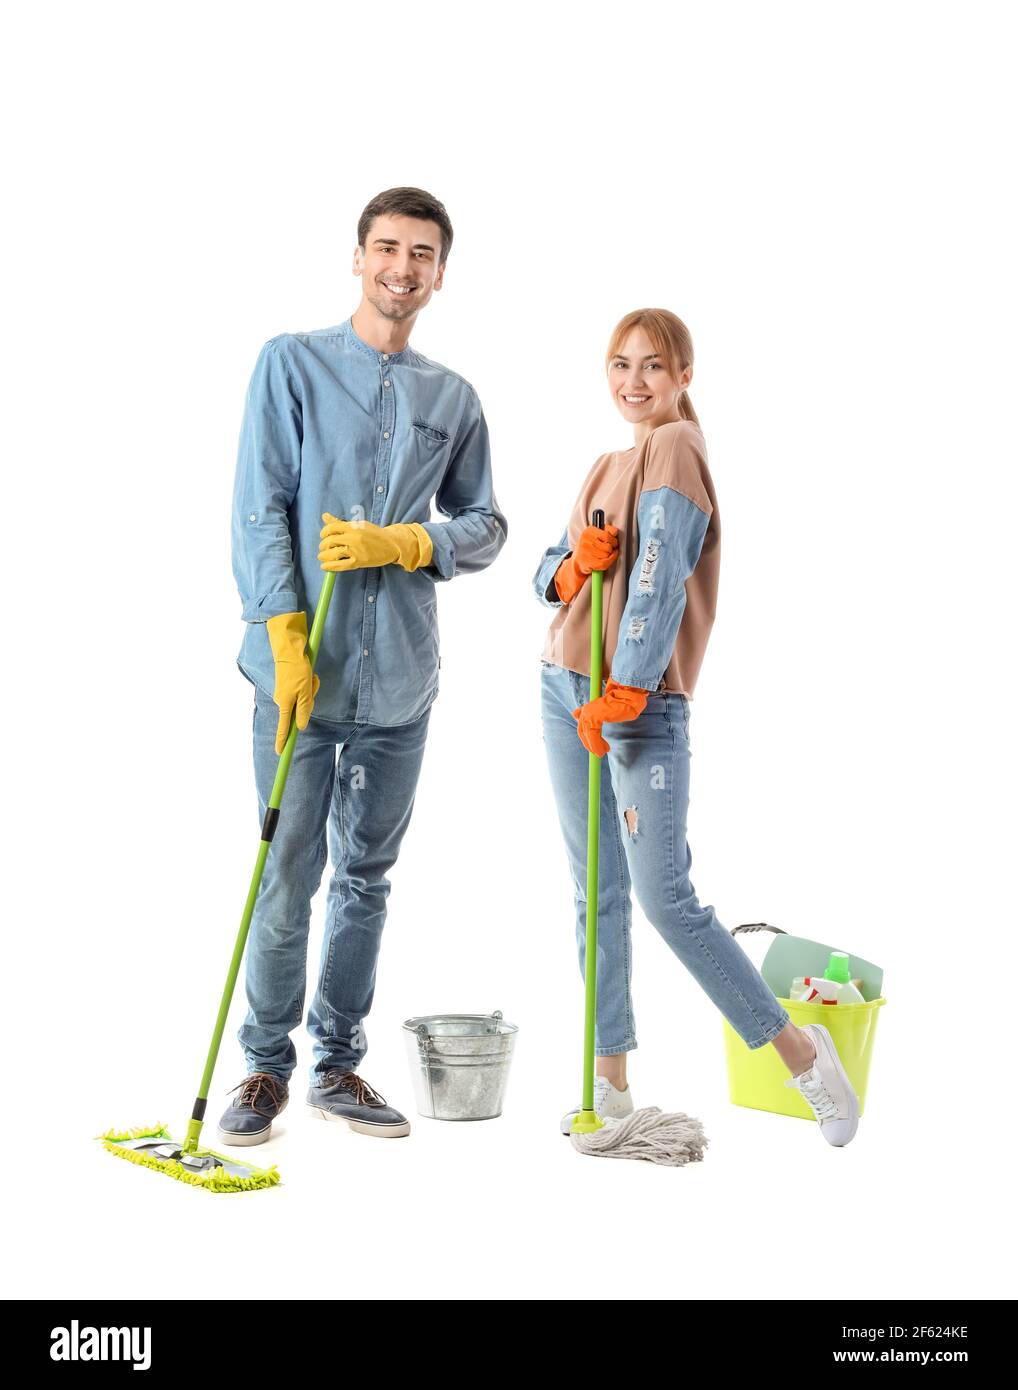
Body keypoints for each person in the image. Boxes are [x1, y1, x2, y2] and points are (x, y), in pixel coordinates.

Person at [221, 186, 507, 1145]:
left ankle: (338, 1066)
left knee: (366, 877)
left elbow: (487, 525)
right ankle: (265, 1067)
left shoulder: (452, 398)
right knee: (286, 872)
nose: (403, 268)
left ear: (439, 272)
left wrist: (408, 544)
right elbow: (261, 506)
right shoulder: (291, 366)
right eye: (388, 248)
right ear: (357, 257)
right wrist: (285, 639)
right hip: (300, 680)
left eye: (422, 254)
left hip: (401, 686)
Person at [532, 308, 859, 1147]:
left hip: (640, 705)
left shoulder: (675, 447)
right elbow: (548, 575)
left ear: (683, 377)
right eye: (619, 365)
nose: (633, 382)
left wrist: (632, 689)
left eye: (652, 366)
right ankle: (608, 1083)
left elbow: (660, 576)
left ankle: (800, 1053)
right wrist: (571, 567)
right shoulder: (609, 462)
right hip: (566, 685)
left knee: (663, 896)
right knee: (594, 892)